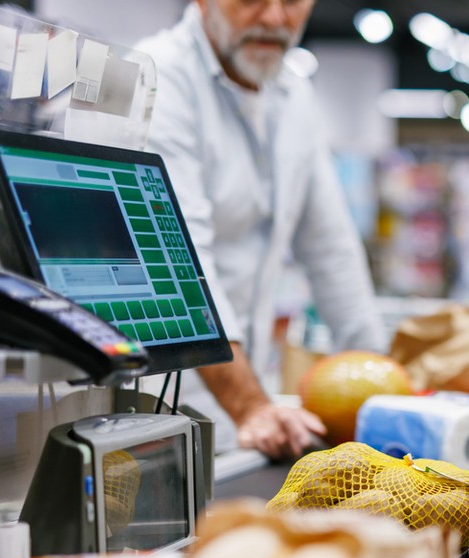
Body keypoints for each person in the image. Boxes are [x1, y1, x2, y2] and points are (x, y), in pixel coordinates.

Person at [137, 0, 387, 459]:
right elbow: (177, 256)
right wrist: (248, 404)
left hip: (247, 416)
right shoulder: (156, 78)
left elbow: (332, 251)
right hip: (154, 410)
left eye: (292, 1)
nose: (274, 19)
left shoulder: (294, 94)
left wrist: (384, 393)